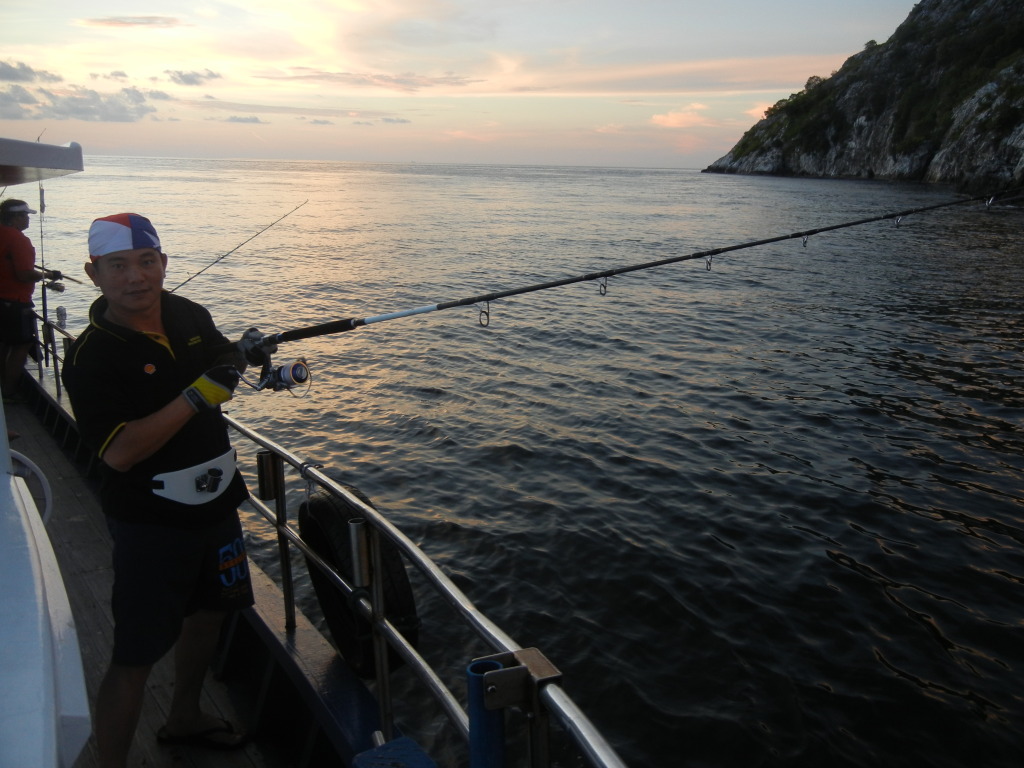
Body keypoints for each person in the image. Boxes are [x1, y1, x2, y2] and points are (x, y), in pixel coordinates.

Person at [61, 213, 275, 768]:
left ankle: (183, 717)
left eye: (147, 261)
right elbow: (120, 451)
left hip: (218, 502)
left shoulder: (188, 313)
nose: (136, 277)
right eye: (119, 265)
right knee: (134, 654)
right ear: (94, 273)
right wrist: (199, 395)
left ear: (163, 262)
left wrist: (235, 360)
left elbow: (221, 353)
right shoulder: (90, 355)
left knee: (210, 614)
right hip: (149, 523)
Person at [0, 198, 62, 400]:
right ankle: (8, 392)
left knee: (4, 344)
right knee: (20, 346)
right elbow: (25, 274)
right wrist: (47, 275)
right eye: (26, 215)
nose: (28, 219)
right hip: (14, 302)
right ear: (16, 217)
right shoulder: (18, 240)